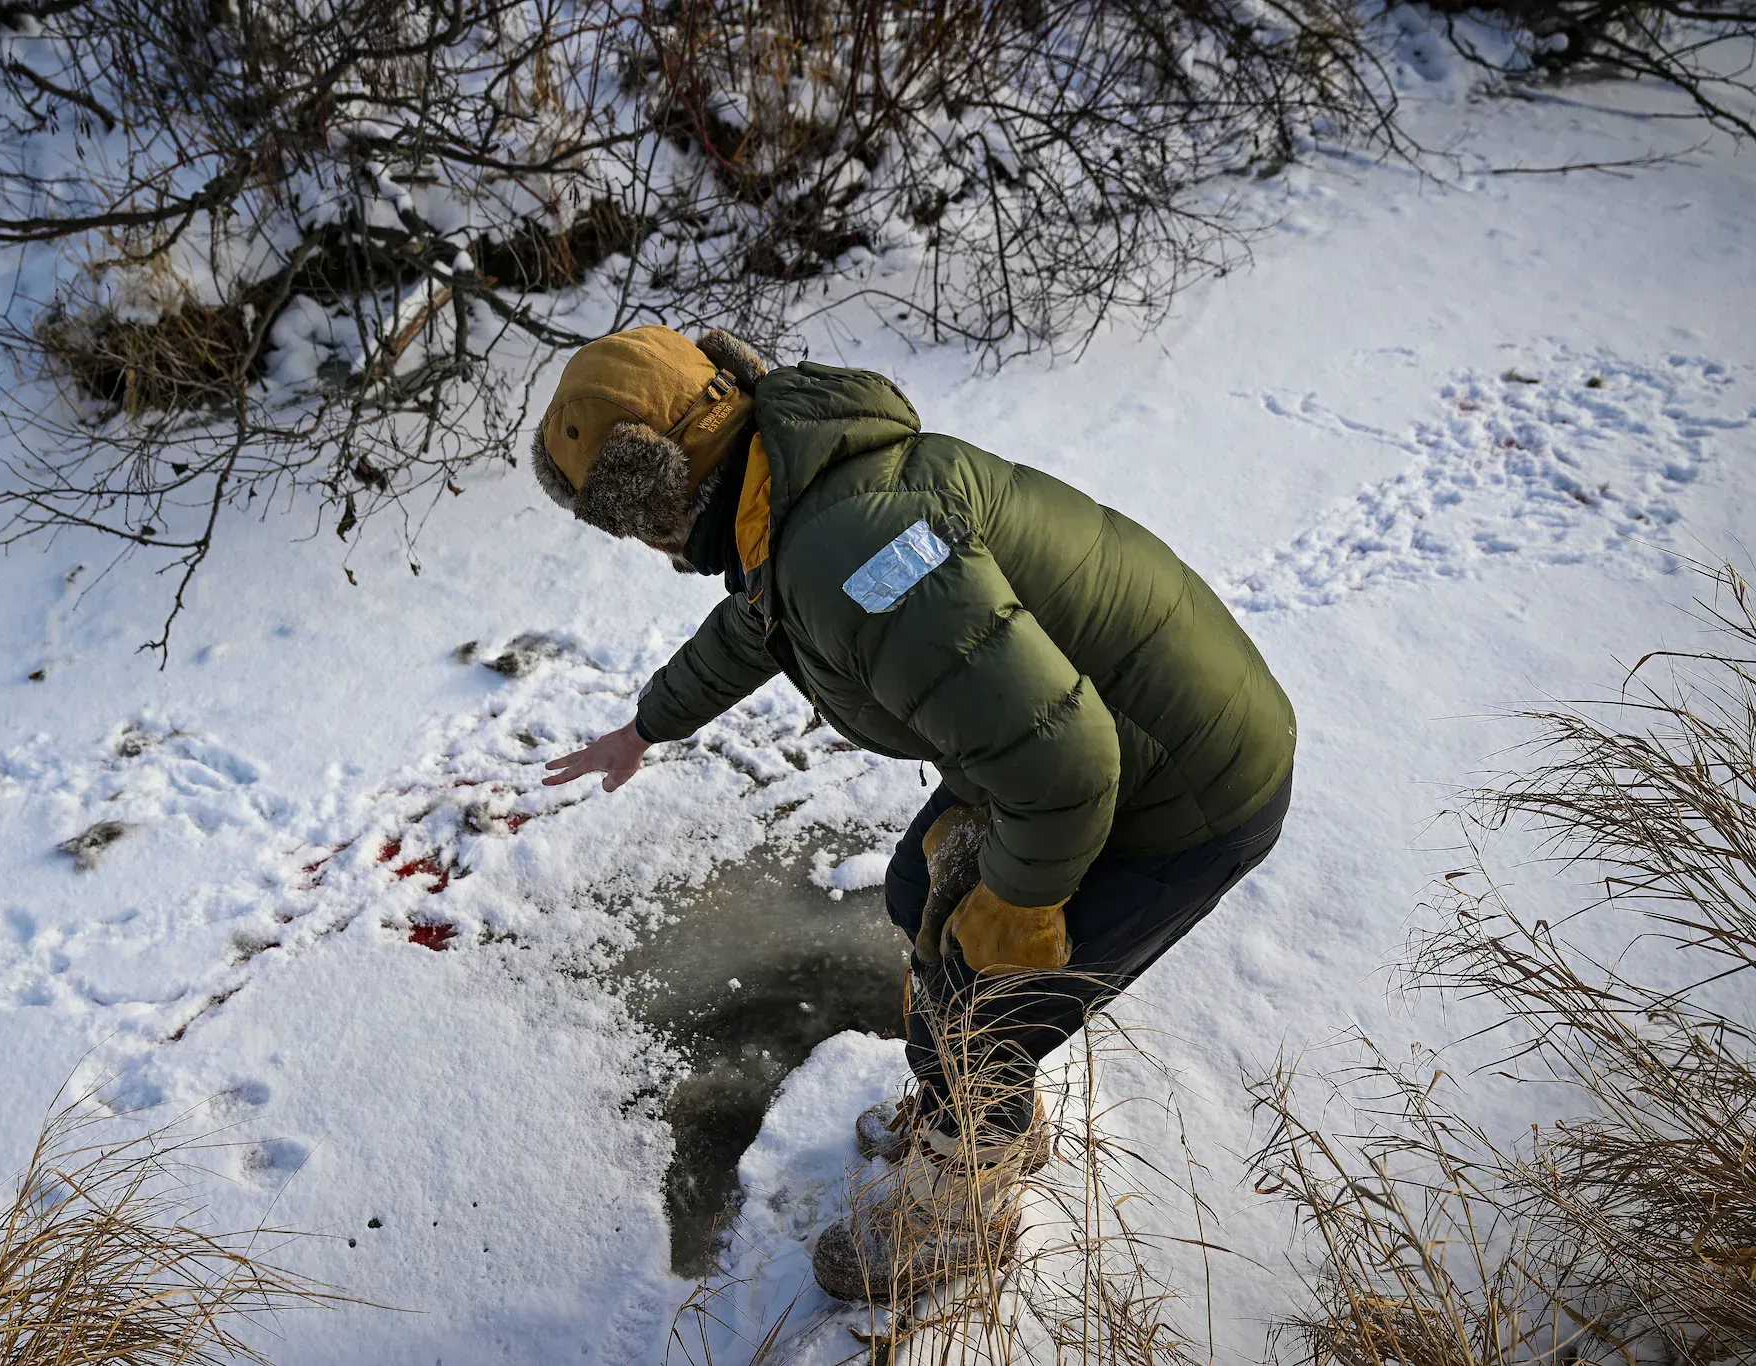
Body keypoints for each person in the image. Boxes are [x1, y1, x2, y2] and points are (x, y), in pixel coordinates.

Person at [534, 325, 1295, 1304]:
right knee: (914, 891)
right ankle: (985, 1118)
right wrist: (648, 723)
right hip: (1089, 728)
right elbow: (762, 622)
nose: (646, 549)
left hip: (1183, 781)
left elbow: (1066, 765)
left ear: (657, 500)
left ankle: (962, 1202)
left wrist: (1017, 911)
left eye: (630, 526)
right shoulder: (794, 486)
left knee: (982, 1000)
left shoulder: (847, 545)